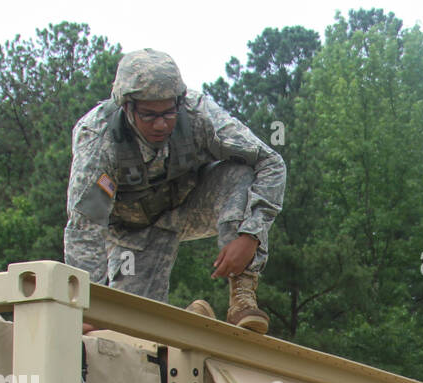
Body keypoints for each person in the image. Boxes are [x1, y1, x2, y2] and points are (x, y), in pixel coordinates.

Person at [64, 48, 286, 332]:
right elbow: (85, 227)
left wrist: (250, 235)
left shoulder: (198, 114)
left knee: (241, 173)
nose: (161, 123)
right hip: (132, 234)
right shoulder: (98, 138)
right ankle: (193, 318)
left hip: (187, 204)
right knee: (132, 329)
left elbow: (270, 163)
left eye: (169, 112)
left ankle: (242, 297)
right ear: (127, 107)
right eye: (149, 115)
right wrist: (87, 304)